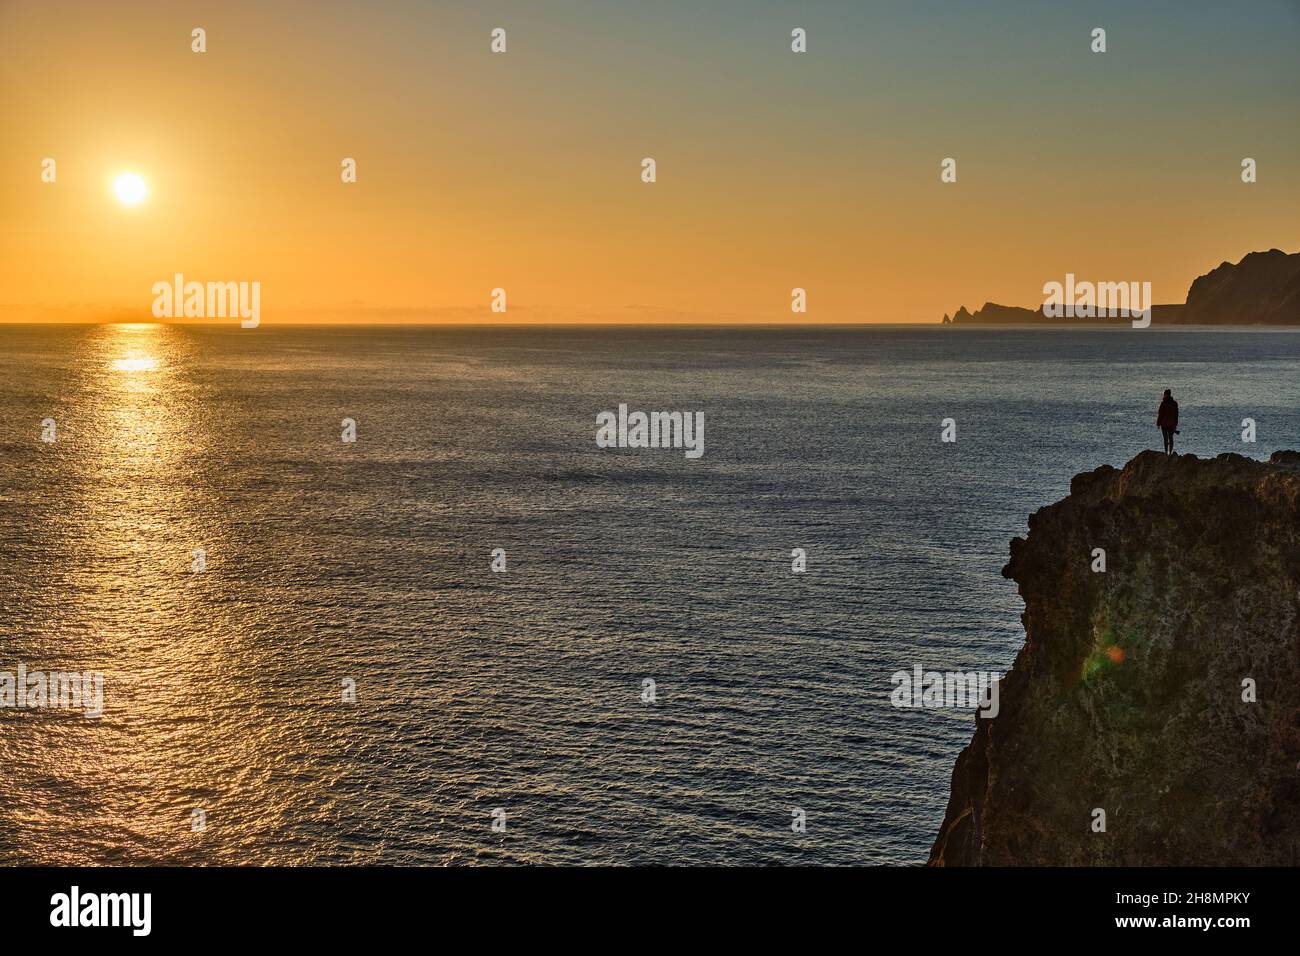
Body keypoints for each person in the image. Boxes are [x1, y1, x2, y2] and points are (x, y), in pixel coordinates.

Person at [1156, 389, 1179, 455]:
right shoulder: (1174, 403)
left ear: (1165, 394)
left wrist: (1158, 423)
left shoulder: (1163, 403)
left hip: (1164, 424)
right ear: (1170, 394)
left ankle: (1166, 452)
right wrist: (1175, 423)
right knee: (1171, 438)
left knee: (1165, 439)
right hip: (1171, 424)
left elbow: (1160, 414)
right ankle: (1170, 453)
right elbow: (1176, 414)